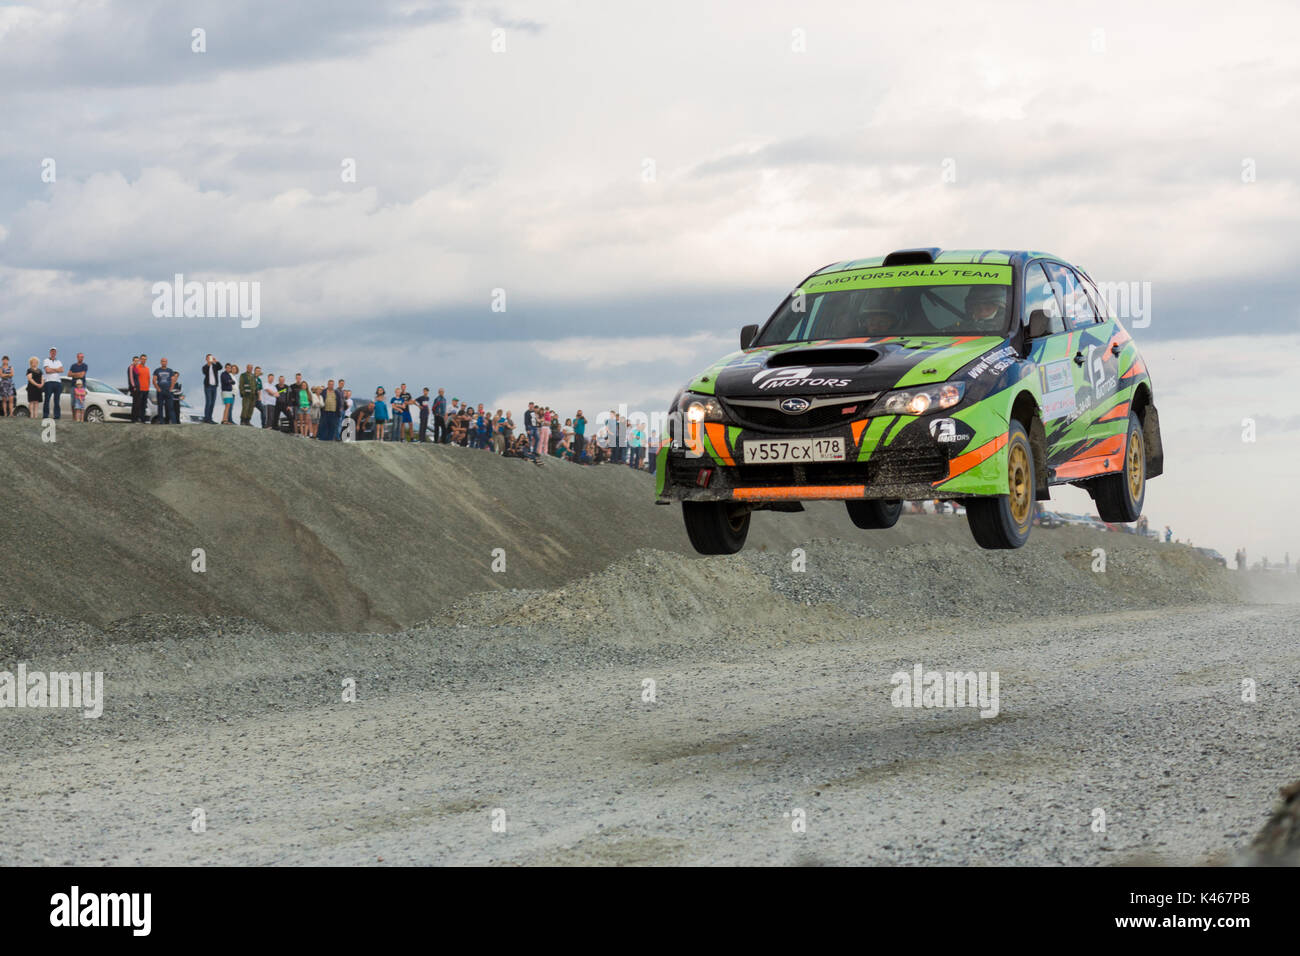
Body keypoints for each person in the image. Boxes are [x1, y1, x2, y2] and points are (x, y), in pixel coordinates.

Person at [153, 358, 178, 424]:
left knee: (170, 407)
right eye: (163, 361)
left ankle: (174, 422)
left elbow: (173, 380)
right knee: (160, 407)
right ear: (161, 362)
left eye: (165, 361)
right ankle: (161, 422)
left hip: (168, 391)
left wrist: (171, 388)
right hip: (160, 391)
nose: (164, 362)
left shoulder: (170, 370)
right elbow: (154, 380)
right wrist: (157, 388)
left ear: (167, 362)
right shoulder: (157, 370)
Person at [42, 347, 64, 420]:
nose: (53, 353)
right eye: (52, 351)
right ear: (50, 352)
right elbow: (47, 370)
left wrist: (52, 369)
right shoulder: (46, 360)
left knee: (57, 400)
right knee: (47, 399)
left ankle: (57, 416)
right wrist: (57, 370)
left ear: (56, 353)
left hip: (57, 382)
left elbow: (62, 370)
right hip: (49, 382)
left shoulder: (58, 361)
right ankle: (45, 415)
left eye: (54, 352)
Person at [200, 354, 221, 423]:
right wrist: (208, 365)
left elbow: (220, 367)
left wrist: (216, 361)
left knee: (212, 403)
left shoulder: (215, 366)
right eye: (209, 358)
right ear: (206, 359)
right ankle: (206, 418)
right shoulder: (205, 367)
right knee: (208, 402)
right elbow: (205, 372)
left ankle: (210, 418)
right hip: (208, 386)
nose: (210, 359)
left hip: (214, 386)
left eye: (211, 357)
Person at [131, 355, 152, 422]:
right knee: (138, 405)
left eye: (145, 359)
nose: (144, 360)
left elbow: (148, 379)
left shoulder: (147, 368)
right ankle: (136, 419)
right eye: (142, 359)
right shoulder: (136, 367)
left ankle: (143, 419)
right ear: (140, 359)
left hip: (146, 390)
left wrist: (148, 387)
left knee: (144, 405)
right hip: (139, 389)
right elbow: (134, 378)